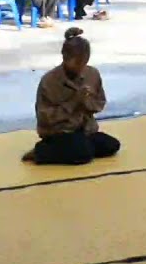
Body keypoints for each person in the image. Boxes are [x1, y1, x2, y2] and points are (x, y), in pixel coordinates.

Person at [22, 29, 121, 164]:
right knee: (83, 153)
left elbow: (100, 103)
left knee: (112, 146)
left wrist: (87, 101)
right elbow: (46, 119)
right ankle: (42, 151)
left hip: (85, 130)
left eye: (84, 62)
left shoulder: (92, 74)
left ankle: (79, 148)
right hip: (59, 132)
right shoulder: (49, 81)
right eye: (77, 63)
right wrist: (73, 102)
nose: (81, 67)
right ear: (64, 57)